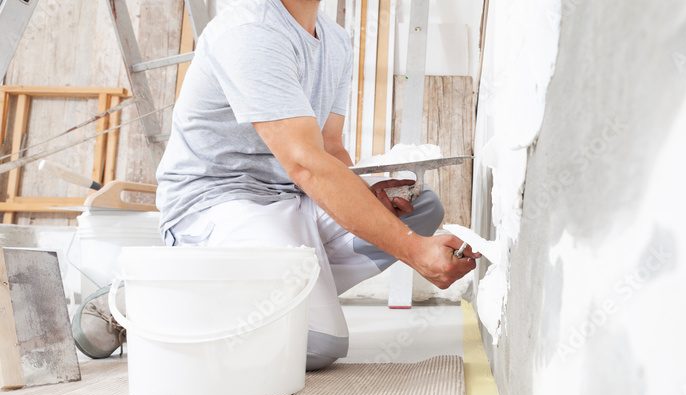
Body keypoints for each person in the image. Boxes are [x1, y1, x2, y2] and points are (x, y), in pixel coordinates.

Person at [155, 0, 479, 371]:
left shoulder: (335, 41)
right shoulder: (250, 32)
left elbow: (330, 148)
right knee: (314, 345)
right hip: (219, 204)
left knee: (420, 208)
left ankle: (279, 296)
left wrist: (363, 196)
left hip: (289, 198)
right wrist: (414, 252)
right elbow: (304, 162)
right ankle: (167, 299)